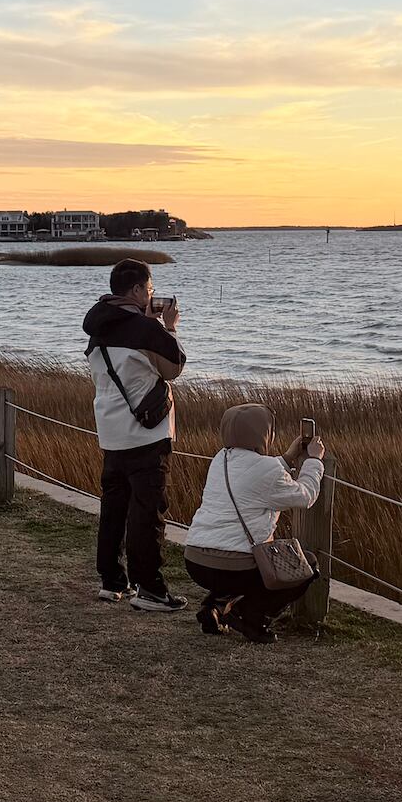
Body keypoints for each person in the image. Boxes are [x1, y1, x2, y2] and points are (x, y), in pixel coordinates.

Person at [82, 257, 187, 611]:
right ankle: (152, 590)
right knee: (147, 512)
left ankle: (112, 581)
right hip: (146, 434)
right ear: (139, 289)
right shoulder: (146, 330)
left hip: (110, 431)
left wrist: (149, 323)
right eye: (151, 288)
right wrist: (168, 327)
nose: (152, 295)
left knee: (114, 509)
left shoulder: (98, 327)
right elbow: (174, 366)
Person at [182, 403, 326, 644]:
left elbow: (253, 473)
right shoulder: (267, 469)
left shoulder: (220, 459)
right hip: (235, 568)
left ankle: (214, 607)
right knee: (306, 564)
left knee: (231, 558)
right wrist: (314, 461)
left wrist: (287, 458)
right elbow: (305, 496)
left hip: (196, 561)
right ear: (264, 434)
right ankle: (250, 616)